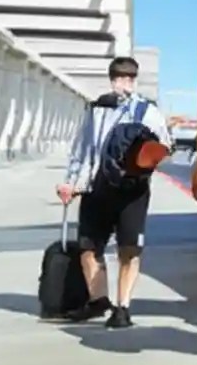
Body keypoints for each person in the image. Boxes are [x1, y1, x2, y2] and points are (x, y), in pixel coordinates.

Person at [56, 56, 172, 328]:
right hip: (97, 187)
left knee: (128, 250)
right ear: (111, 79)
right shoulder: (96, 110)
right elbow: (82, 150)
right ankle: (98, 300)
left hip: (132, 191)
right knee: (88, 247)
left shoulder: (147, 111)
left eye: (130, 78)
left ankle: (123, 307)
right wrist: (70, 183)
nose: (125, 83)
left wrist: (145, 160)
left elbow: (164, 147)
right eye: (120, 77)